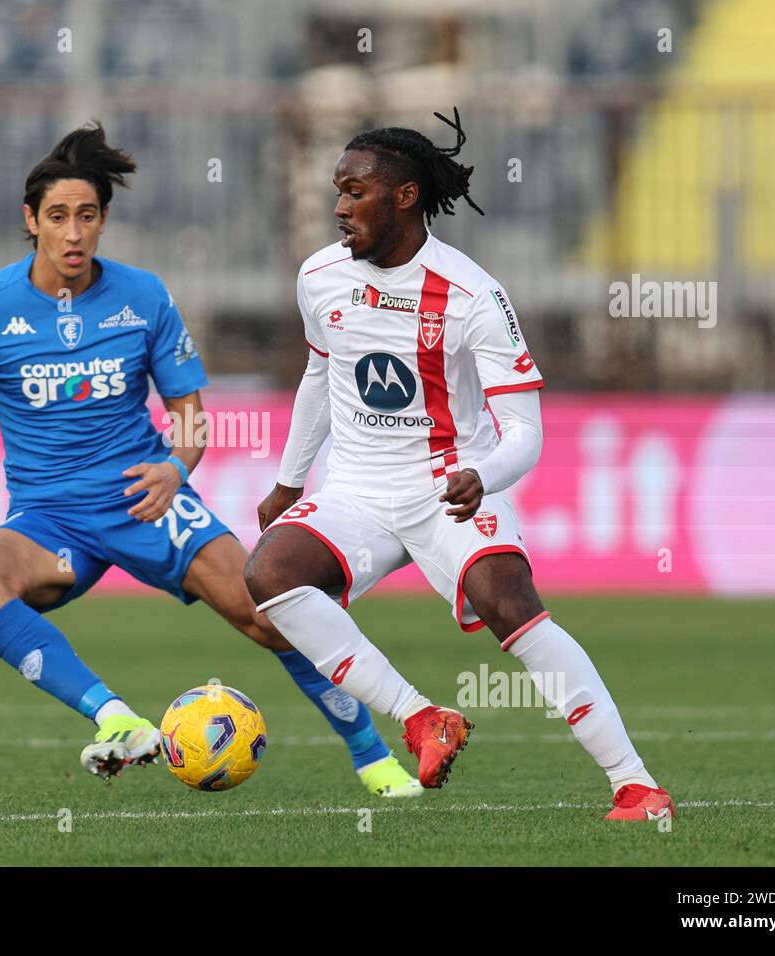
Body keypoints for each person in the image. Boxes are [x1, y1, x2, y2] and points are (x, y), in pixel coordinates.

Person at [0, 122, 420, 796]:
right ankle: (115, 719)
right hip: (49, 523)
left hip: (148, 502)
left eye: (86, 216)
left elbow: (190, 417)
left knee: (270, 611)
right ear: (31, 221)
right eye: (57, 217)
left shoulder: (142, 297)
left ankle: (373, 757)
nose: (73, 233)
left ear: (103, 221)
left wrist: (176, 468)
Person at [245, 111, 674, 820]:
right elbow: (319, 378)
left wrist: (487, 476)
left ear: (404, 197)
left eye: (355, 193)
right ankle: (421, 718)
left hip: (450, 486)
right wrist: (291, 480)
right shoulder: (320, 277)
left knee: (510, 604)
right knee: (269, 575)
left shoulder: (474, 295)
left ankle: (634, 782)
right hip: (356, 489)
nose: (339, 207)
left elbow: (525, 432)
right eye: (337, 192)